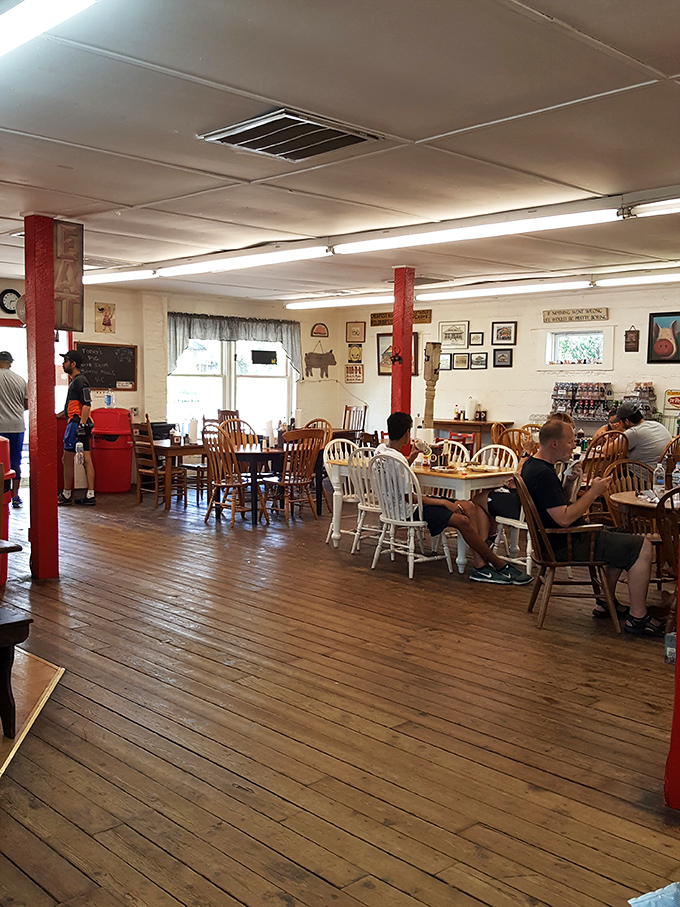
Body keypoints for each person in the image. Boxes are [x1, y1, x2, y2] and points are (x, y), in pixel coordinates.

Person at [521, 418, 662, 636]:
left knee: (622, 537)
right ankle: (637, 617)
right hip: (564, 542)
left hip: (557, 538)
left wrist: (568, 484)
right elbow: (564, 519)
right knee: (642, 546)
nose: (573, 446)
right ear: (554, 444)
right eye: (570, 442)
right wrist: (593, 492)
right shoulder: (543, 474)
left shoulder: (533, 465)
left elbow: (554, 508)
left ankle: (606, 603)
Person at [376, 412, 530, 585]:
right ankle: (496, 563)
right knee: (462, 519)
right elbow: (409, 497)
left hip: (394, 507)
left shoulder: (380, 451)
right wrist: (443, 502)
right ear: (407, 434)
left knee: (468, 506)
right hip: (408, 510)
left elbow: (397, 476)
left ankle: (480, 564)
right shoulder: (399, 461)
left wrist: (411, 458)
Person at [58, 350, 96, 506]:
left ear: (73, 364)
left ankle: (66, 494)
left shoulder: (80, 381)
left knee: (67, 459)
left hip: (76, 424)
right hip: (78, 422)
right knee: (86, 459)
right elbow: (73, 405)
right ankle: (90, 494)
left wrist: (81, 424)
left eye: (66, 361)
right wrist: (58, 415)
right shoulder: (75, 381)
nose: (63, 363)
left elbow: (87, 404)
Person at [0, 351, 27, 508]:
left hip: (1, 429)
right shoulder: (20, 380)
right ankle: (15, 495)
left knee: (0, 464)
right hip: (17, 426)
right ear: (10, 362)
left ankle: (1, 495)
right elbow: (27, 405)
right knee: (16, 462)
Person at [606, 402, 672, 467]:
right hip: (664, 472)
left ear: (626, 421)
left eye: (620, 422)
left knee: (610, 472)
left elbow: (607, 451)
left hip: (641, 475)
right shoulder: (657, 425)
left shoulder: (633, 432)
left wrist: (610, 436)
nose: (618, 424)